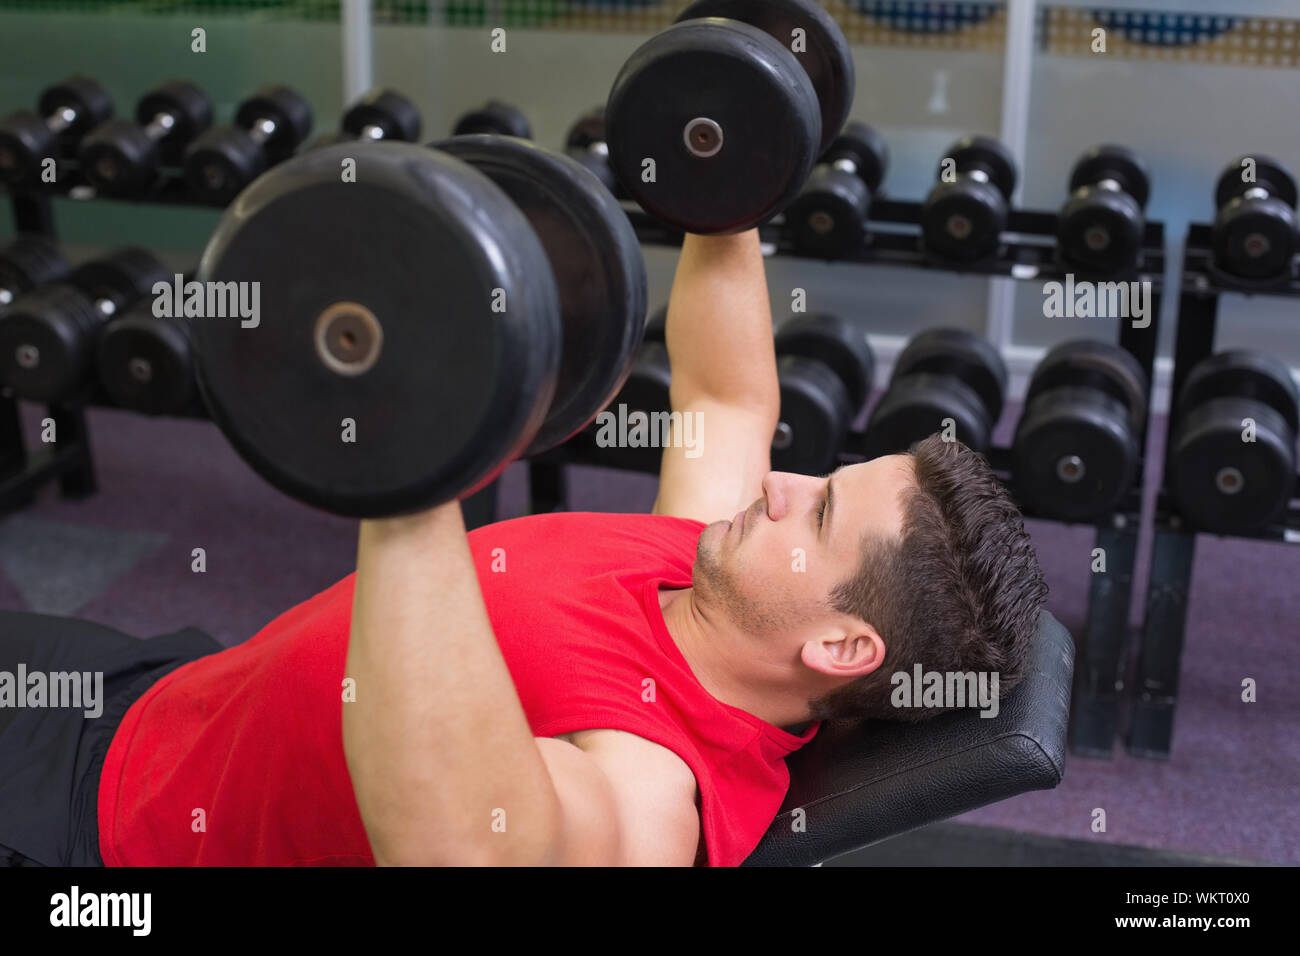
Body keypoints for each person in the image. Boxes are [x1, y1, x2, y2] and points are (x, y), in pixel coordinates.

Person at [0, 230, 1046, 867]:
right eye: (817, 478)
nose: (780, 483)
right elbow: (727, 395)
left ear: (843, 649)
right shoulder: (705, 566)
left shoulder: (653, 786)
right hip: (157, 693)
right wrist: (729, 169)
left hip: (95, 840)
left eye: (816, 514)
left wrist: (407, 476)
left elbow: (463, 848)